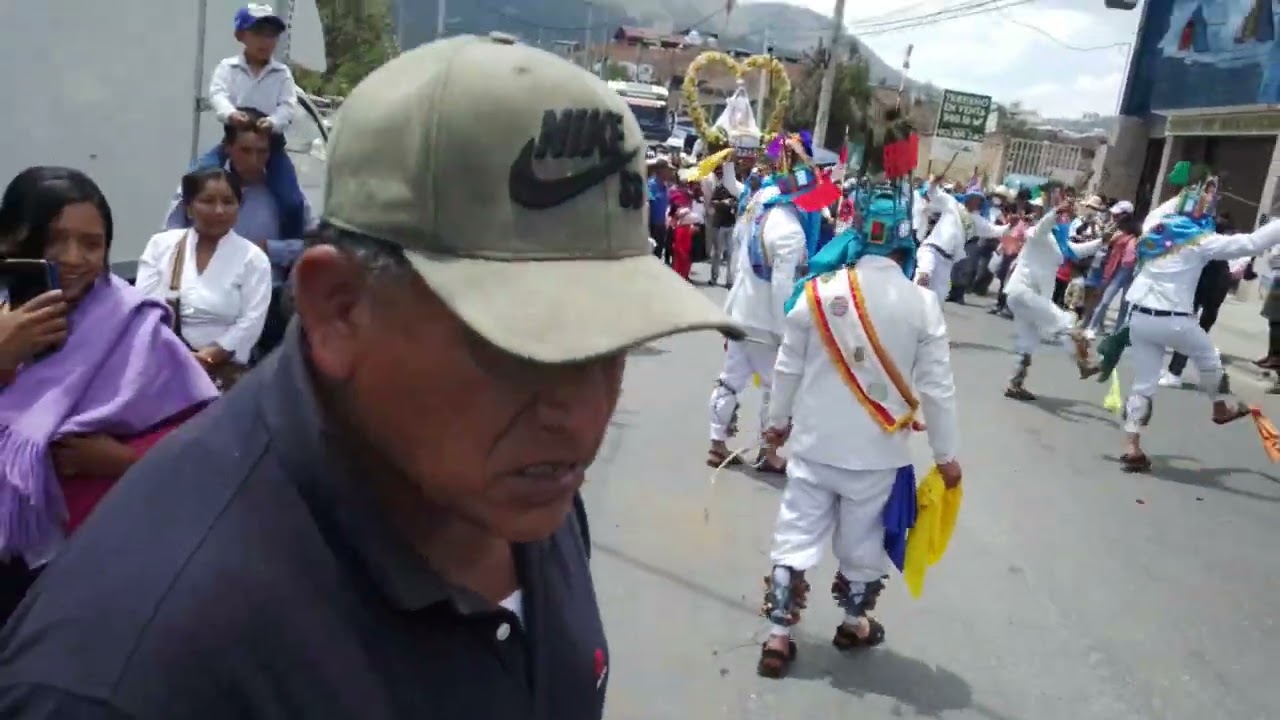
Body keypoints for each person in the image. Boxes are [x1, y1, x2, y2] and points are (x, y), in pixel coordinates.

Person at [0, 35, 740, 718]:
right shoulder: (128, 675)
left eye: (608, 343)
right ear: (338, 309)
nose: (580, 416)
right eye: (521, 347)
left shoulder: (524, 492)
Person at [754, 183, 960, 678]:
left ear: (855, 229)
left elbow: (787, 367)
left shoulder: (819, 292)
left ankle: (778, 638)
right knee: (863, 545)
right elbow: (938, 390)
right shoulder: (922, 304)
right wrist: (947, 455)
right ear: (903, 240)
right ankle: (853, 622)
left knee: (796, 534)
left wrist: (776, 424)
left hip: (813, 445)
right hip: (878, 453)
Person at [0, 167, 217, 623]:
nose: (74, 258)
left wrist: (121, 461)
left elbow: (209, 449)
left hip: (80, 567)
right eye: (54, 239)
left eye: (92, 244)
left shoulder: (135, 328)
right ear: (11, 238)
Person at [1116, 174, 1280, 472]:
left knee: (1144, 384)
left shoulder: (1154, 229)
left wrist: (1191, 193)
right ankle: (1220, 407)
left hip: (1138, 317)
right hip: (1175, 319)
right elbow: (1252, 243)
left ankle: (1132, 446)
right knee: (1209, 358)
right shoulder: (1200, 241)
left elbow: (1162, 209)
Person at [707, 133, 824, 474]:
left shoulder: (758, 206)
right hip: (765, 322)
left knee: (730, 379)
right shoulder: (790, 230)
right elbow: (782, 289)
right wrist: (788, 331)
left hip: (740, 311)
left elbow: (739, 262)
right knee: (777, 387)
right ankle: (768, 452)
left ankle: (717, 444)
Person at [166, 109, 316, 359]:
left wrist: (271, 249)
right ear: (228, 148)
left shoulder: (285, 198)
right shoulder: (198, 192)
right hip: (207, 303)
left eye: (262, 152)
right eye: (245, 151)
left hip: (269, 307)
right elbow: (170, 239)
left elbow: (312, 245)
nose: (254, 161)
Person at [140, 168, 273, 384]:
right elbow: (145, 308)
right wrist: (178, 358)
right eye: (208, 201)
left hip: (222, 375)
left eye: (228, 202)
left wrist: (207, 358)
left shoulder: (253, 259)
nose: (219, 210)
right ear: (189, 208)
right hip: (163, 367)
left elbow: (251, 322)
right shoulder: (161, 246)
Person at [197, 4, 306, 256]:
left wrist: (274, 123)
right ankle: (196, 240)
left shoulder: (282, 73)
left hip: (270, 140)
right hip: (236, 135)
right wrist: (230, 114)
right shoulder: (228, 68)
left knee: (292, 200)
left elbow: (288, 105)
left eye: (270, 35)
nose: (265, 41)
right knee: (198, 178)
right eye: (257, 33)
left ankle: (293, 255)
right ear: (241, 36)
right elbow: (218, 94)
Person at [1001, 194, 1104, 400]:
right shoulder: (1038, 234)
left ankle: (1015, 384)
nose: (1066, 219)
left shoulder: (1060, 242)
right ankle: (1084, 363)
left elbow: (1078, 251)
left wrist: (1103, 240)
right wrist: (1055, 212)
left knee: (1027, 341)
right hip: (1024, 291)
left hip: (1027, 297)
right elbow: (1042, 227)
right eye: (1064, 217)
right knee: (1065, 322)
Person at [1159, 214, 1245, 387]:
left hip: (1203, 289)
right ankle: (1210, 374)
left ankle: (1175, 373)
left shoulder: (1207, 245)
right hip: (1215, 291)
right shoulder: (1228, 247)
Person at [648, 157, 673, 264]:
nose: (670, 173)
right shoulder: (650, 185)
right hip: (653, 226)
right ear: (661, 170)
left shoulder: (665, 186)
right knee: (652, 256)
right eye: (668, 170)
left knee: (658, 255)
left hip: (663, 226)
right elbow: (647, 204)